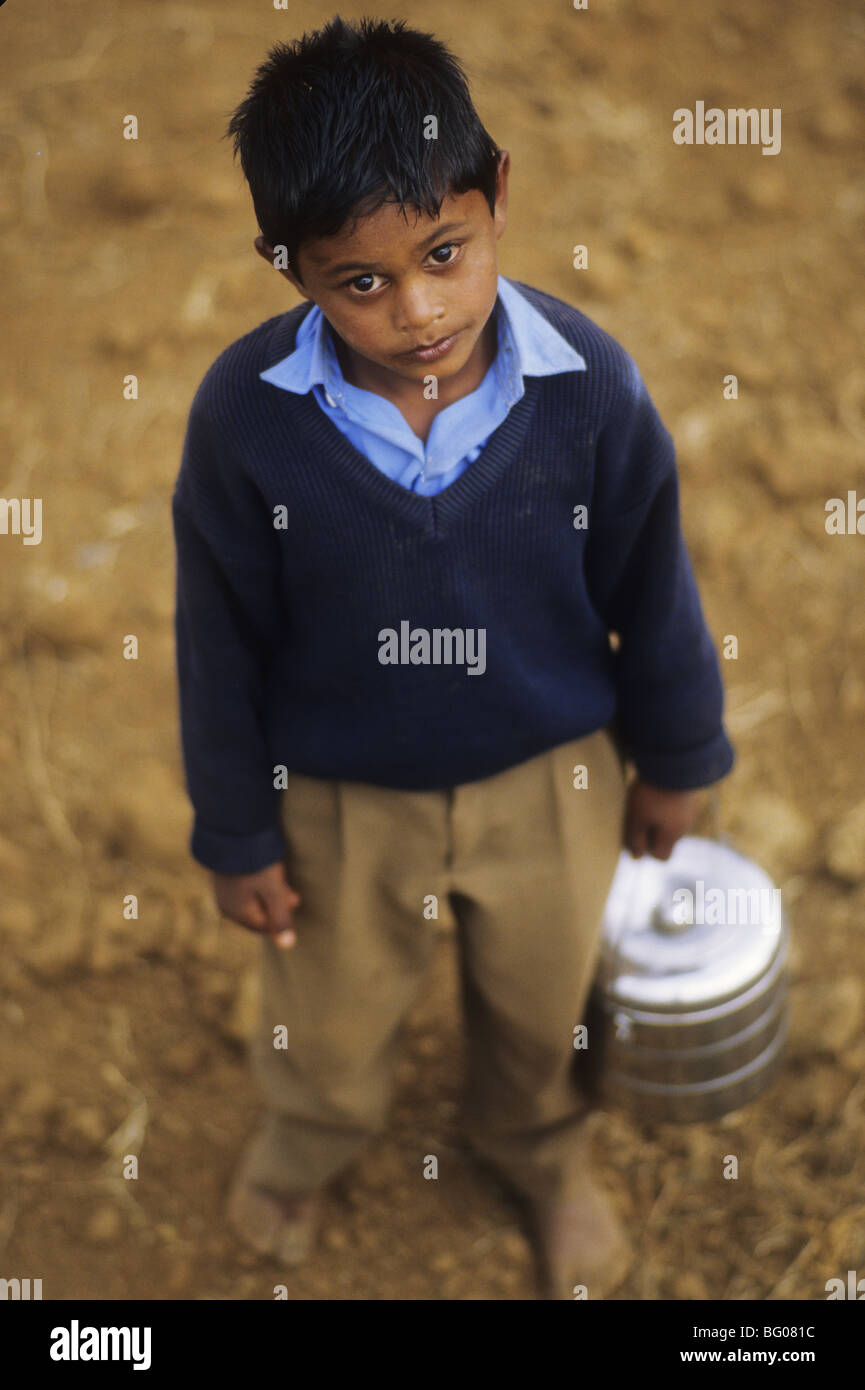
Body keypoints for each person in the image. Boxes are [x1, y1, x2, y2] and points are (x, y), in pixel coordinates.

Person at [171, 15, 735, 1299]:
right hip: (336, 798)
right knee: (329, 1016)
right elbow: (218, 633)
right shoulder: (245, 422)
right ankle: (307, 1141)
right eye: (356, 281)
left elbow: (652, 580)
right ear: (291, 270)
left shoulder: (588, 385)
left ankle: (540, 1156)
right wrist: (237, 830)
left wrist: (678, 756)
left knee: (547, 1009)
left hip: (550, 781)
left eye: (442, 253)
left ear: (495, 202)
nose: (415, 310)